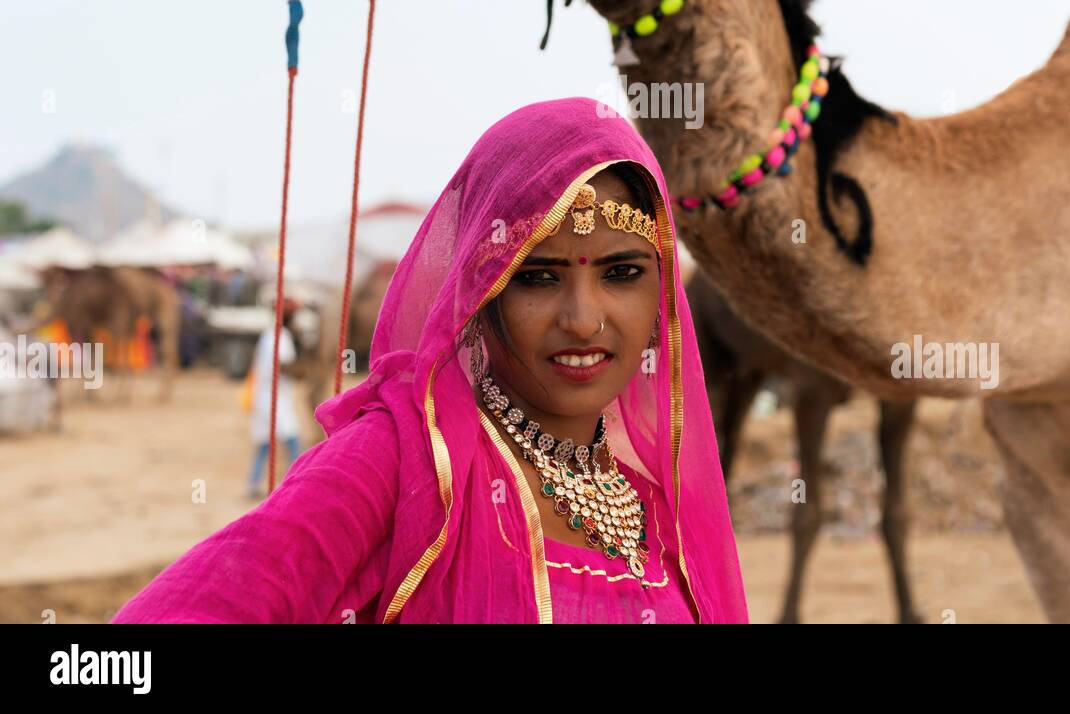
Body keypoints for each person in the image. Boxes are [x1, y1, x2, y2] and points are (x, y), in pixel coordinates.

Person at [112, 97, 749, 623]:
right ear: (482, 289)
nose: (583, 318)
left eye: (622, 272)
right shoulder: (410, 460)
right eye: (537, 277)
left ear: (661, 293)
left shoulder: (655, 506)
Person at [245, 299, 304, 498]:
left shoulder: (269, 335)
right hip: (274, 397)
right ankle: (298, 482)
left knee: (265, 441)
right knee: (292, 438)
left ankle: (253, 483)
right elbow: (283, 365)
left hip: (269, 395)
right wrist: (307, 369)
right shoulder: (281, 336)